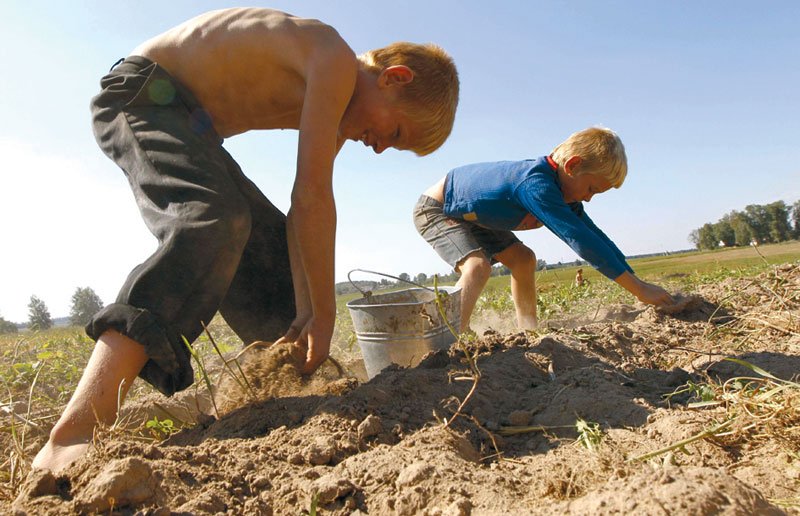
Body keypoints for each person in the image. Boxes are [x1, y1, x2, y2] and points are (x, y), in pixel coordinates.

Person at [33, 7, 459, 473]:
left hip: (190, 124)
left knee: (265, 252)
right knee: (213, 219)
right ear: (394, 78)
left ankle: (272, 396)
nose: (380, 147)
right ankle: (74, 429)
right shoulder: (334, 60)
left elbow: (304, 217)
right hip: (142, 97)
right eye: (394, 132)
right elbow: (313, 195)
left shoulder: (335, 100)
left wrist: (307, 313)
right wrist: (326, 311)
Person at [413, 127, 673, 331]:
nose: (589, 198)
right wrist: (638, 290)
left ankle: (527, 329)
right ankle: (450, 339)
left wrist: (639, 282)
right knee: (477, 267)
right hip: (438, 208)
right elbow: (579, 240)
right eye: (591, 188)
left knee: (524, 260)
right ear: (572, 166)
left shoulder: (563, 191)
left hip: (474, 216)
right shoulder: (536, 186)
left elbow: (596, 237)